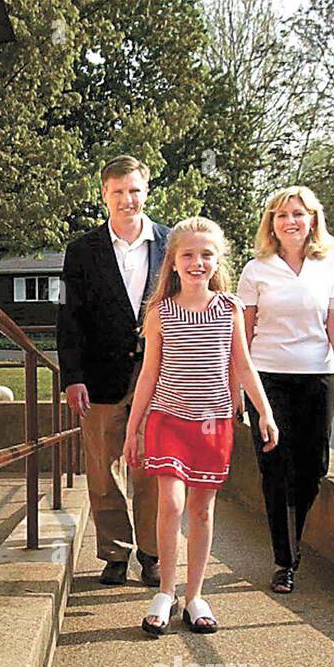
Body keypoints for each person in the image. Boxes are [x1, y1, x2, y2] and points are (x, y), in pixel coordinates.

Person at [125, 217, 279, 635]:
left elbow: (243, 366)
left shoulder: (228, 308)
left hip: (212, 425)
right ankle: (165, 591)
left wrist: (264, 411)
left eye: (206, 255)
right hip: (167, 421)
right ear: (172, 261)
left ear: (218, 260)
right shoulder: (159, 311)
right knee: (171, 503)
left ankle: (194, 596)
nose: (197, 262)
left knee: (201, 509)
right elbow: (148, 374)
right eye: (188, 255)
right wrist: (132, 429)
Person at [235, 186, 334, 594]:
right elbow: (243, 332)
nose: (291, 221)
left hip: (316, 376)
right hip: (267, 377)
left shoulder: (330, 267)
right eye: (282, 214)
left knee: (312, 471)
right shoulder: (256, 269)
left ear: (312, 221)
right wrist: (238, 387)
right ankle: (284, 561)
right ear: (272, 223)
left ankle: (295, 541)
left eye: (299, 214)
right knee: (275, 467)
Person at [58, 155, 170, 587]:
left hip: (157, 379)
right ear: (104, 194)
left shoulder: (170, 242)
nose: (127, 199)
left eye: (134, 190)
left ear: (146, 190)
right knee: (103, 471)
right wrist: (73, 376)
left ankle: (152, 552)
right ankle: (115, 553)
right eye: (118, 191)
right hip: (100, 380)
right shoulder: (81, 251)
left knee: (150, 473)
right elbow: (68, 317)